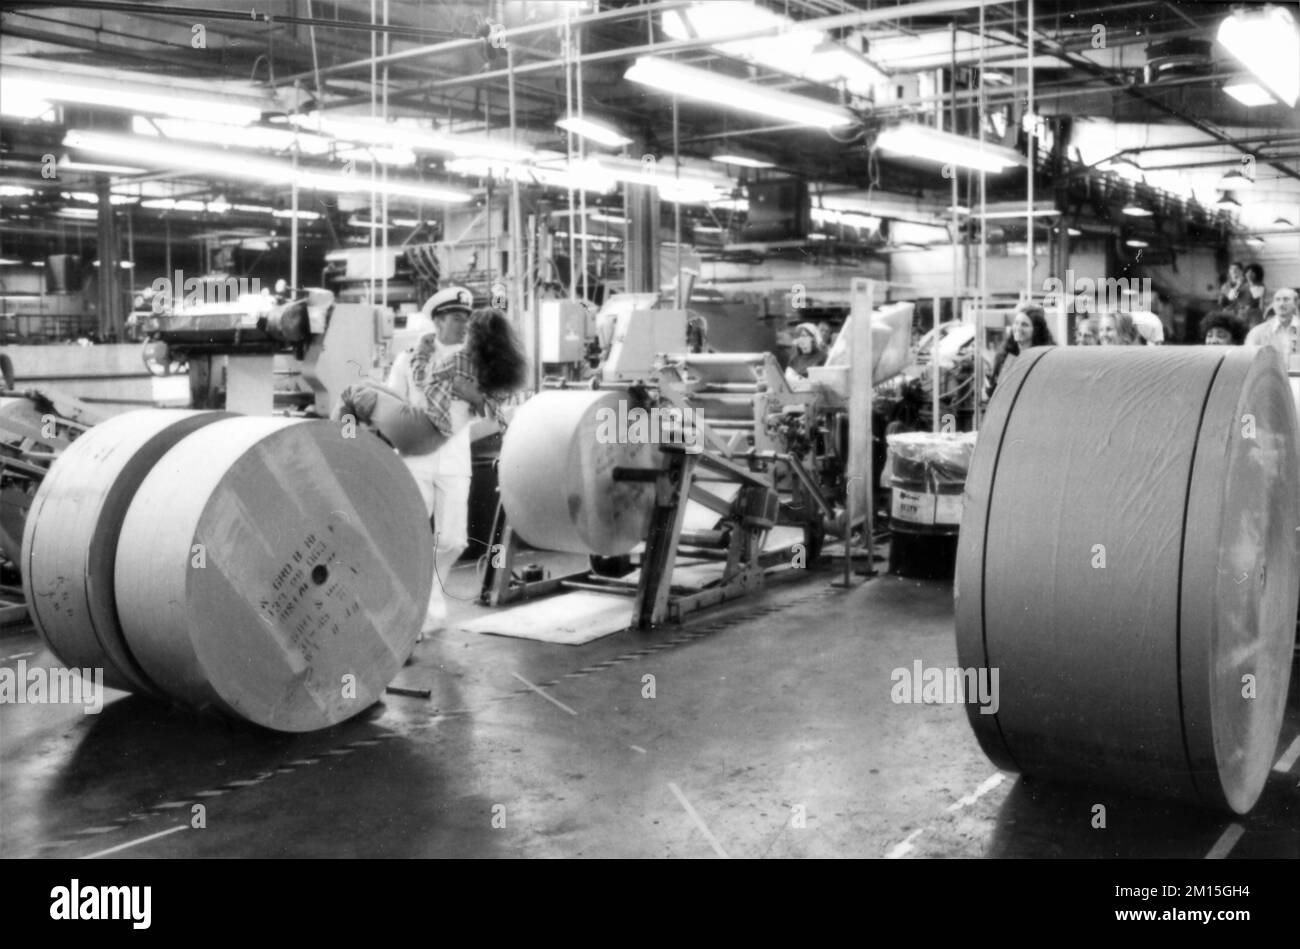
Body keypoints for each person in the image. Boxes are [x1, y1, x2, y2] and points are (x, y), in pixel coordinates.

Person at [386, 286, 475, 636]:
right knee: (409, 537)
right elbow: (393, 402)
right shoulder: (408, 360)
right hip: (415, 458)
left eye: (467, 319)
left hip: (454, 458)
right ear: (437, 320)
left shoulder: (476, 362)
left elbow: (491, 402)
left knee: (454, 540)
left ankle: (429, 596)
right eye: (456, 318)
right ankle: (414, 615)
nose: (463, 325)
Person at [985, 303, 1054, 400]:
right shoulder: (1004, 357)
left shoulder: (1046, 358)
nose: (1018, 328)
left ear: (1036, 330)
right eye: (1016, 323)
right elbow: (995, 392)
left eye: (1024, 325)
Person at [1243, 287, 1300, 355]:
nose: (1281, 304)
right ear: (1273, 305)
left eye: (1286, 299)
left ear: (1296, 303)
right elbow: (1248, 358)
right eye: (1277, 300)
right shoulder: (1257, 333)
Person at [1240, 263, 1268, 328]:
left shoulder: (1260, 285)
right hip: (1241, 312)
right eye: (1247, 272)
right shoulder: (1242, 285)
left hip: (1254, 313)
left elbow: (1260, 300)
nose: (1249, 274)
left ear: (1257, 274)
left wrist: (1262, 315)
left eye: (1252, 272)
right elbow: (1234, 297)